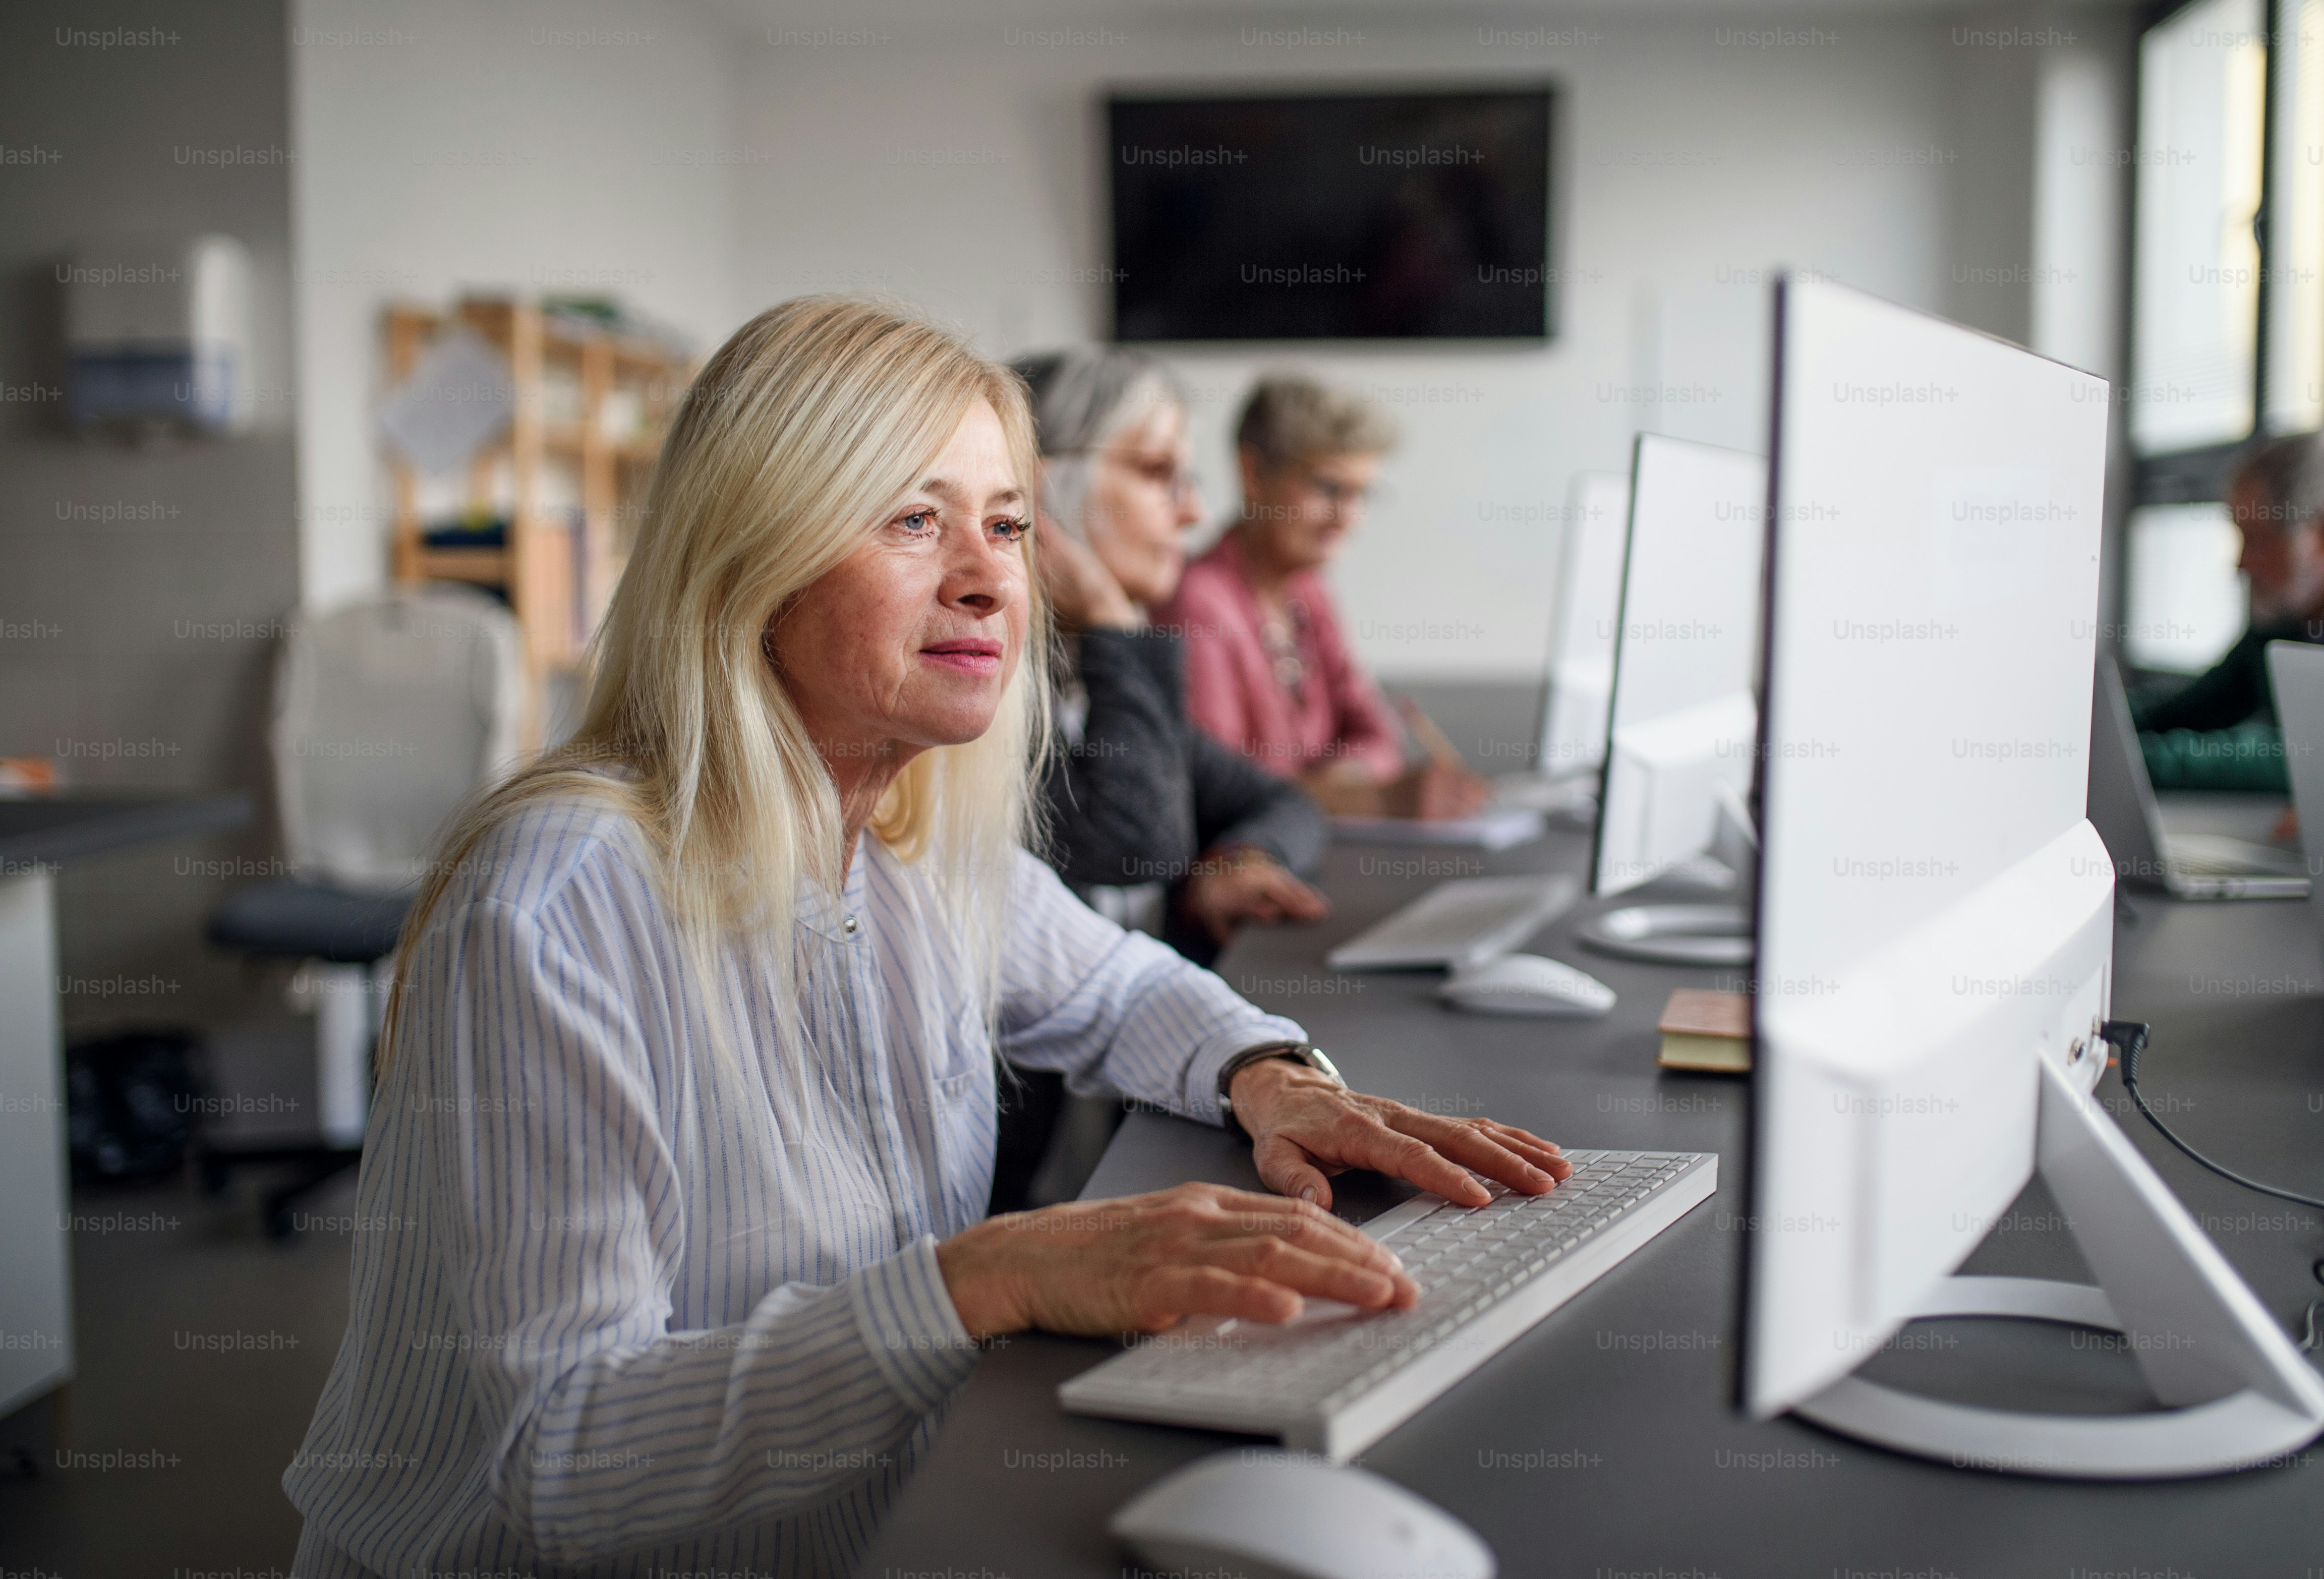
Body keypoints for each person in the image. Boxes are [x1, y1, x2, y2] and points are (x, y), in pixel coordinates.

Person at [280, 299, 1570, 1579]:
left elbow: (1119, 988)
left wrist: (1270, 1073)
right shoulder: (558, 906)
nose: (989, 575)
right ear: (749, 555)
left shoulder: (907, 838)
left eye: (1006, 525)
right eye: (913, 519)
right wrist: (987, 1277)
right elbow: (555, 1454)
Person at [993, 345, 1330, 1212]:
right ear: (1040, 493)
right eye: (1156, 473)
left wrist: (1240, 859)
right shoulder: (973, 716)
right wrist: (1109, 617)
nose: (1193, 511)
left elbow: (1277, 799)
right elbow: (1131, 848)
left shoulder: (1085, 683)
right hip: (997, 1226)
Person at [1155, 373, 1488, 819]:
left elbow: (1377, 734)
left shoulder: (1306, 591)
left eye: (1362, 494)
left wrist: (1333, 783)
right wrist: (1366, 797)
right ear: (1253, 474)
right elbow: (1217, 797)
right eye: (1329, 489)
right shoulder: (1198, 603)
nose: (1348, 518)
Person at [2135, 421, 2324, 791]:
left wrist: (2124, 760)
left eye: (2257, 539)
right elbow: (2190, 708)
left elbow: (2319, 756)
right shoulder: (2295, 608)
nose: (2240, 563)